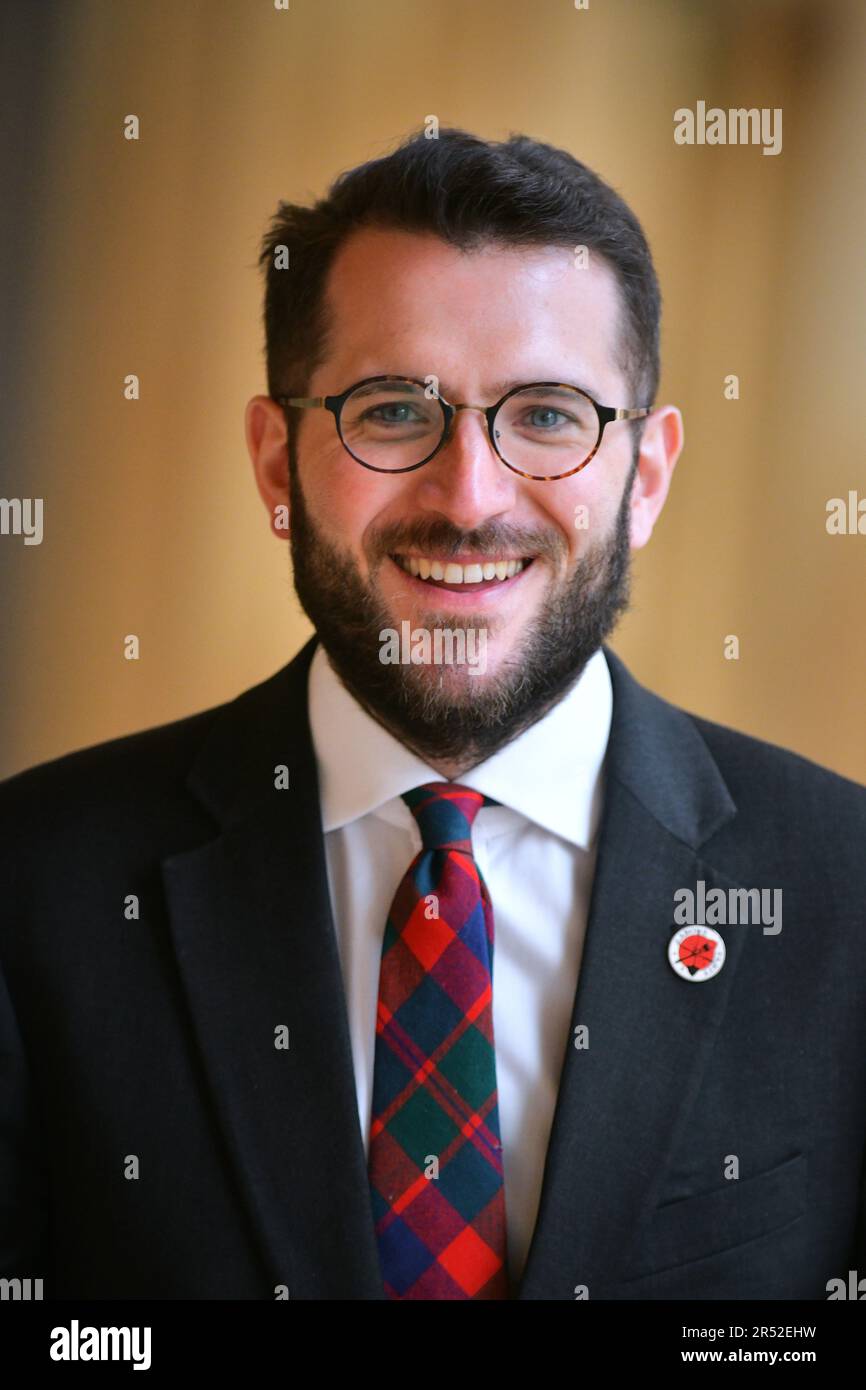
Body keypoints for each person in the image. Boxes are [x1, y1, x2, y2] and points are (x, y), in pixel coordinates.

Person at [1, 127, 865, 1302]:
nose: (468, 499)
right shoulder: (36, 883)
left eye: (549, 415)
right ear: (275, 462)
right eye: (394, 411)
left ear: (645, 476)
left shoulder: (842, 893)